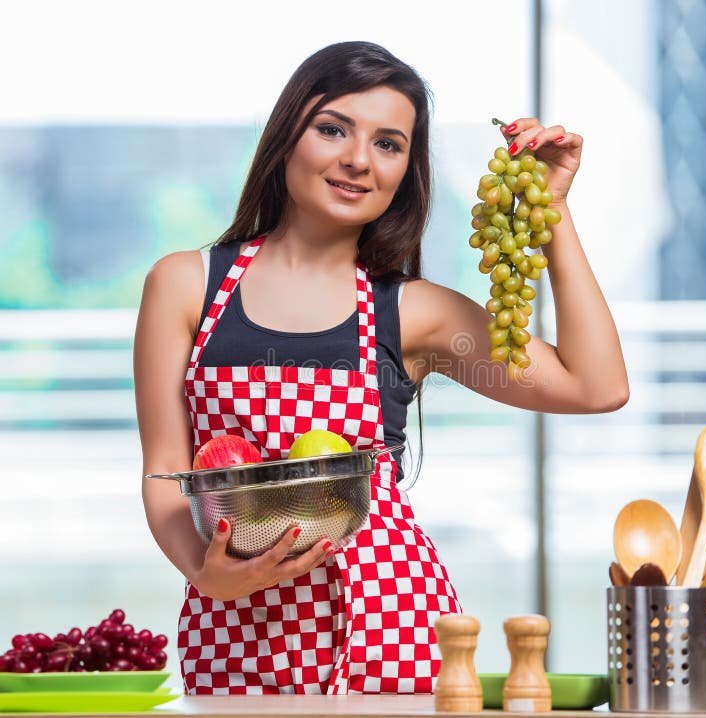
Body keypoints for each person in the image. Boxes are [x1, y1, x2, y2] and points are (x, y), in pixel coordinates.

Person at [133, 40, 629, 696]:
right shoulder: (184, 286)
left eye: (388, 144)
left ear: (405, 172)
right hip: (236, 626)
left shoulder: (415, 314)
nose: (358, 160)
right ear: (287, 137)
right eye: (333, 129)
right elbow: (165, 472)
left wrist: (552, 209)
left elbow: (596, 387)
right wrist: (205, 573)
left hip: (393, 627)